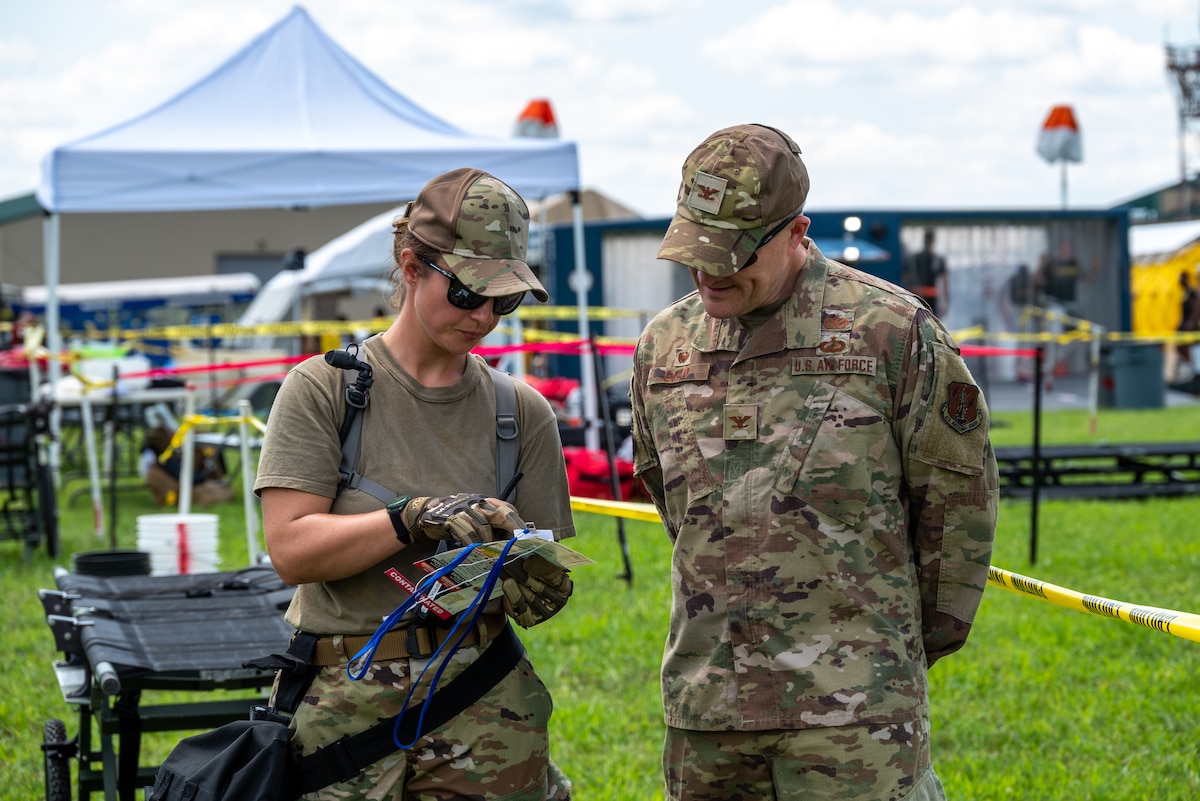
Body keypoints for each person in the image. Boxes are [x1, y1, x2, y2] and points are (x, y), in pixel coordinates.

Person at [629, 124, 999, 801]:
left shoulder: (890, 333)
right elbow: (674, 506)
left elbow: (957, 513)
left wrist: (881, 653)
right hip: (709, 708)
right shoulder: (664, 348)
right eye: (695, 248)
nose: (708, 270)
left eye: (732, 251)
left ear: (796, 231)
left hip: (853, 716)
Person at [255, 167, 576, 801]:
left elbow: (548, 576)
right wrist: (410, 518)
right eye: (466, 293)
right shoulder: (325, 390)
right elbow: (291, 550)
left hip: (483, 698)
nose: (484, 316)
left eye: (504, 300)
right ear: (411, 266)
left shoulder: (521, 412)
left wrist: (534, 575)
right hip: (345, 700)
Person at [902, 227, 949, 317]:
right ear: (933, 240)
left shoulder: (914, 258)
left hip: (918, 296)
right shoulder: (938, 259)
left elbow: (906, 278)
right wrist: (946, 301)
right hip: (930, 297)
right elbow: (944, 282)